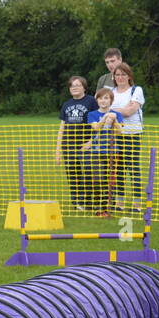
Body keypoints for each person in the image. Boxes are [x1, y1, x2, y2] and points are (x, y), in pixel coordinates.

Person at [56, 76, 98, 211]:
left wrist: (91, 142)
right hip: (68, 146)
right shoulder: (66, 104)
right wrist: (58, 150)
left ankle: (88, 201)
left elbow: (98, 124)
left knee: (88, 173)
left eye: (78, 85)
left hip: (86, 145)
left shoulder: (91, 101)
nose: (74, 87)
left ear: (84, 87)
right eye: (72, 86)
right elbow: (62, 127)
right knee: (73, 174)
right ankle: (76, 202)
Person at [109, 63, 146, 210]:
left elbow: (129, 111)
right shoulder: (111, 91)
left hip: (132, 134)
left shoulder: (136, 90)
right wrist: (119, 110)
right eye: (117, 75)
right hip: (116, 135)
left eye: (123, 74)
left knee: (133, 167)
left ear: (129, 76)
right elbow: (102, 108)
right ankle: (120, 203)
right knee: (119, 168)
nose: (120, 77)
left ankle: (137, 203)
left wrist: (112, 110)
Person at [83, 88, 121, 216]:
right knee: (97, 179)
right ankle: (98, 207)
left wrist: (114, 120)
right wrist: (105, 117)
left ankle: (108, 207)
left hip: (112, 152)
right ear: (97, 100)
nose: (103, 101)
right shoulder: (92, 114)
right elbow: (96, 127)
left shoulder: (117, 114)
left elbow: (120, 131)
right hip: (96, 152)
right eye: (100, 98)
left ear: (111, 100)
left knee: (110, 180)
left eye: (106, 98)